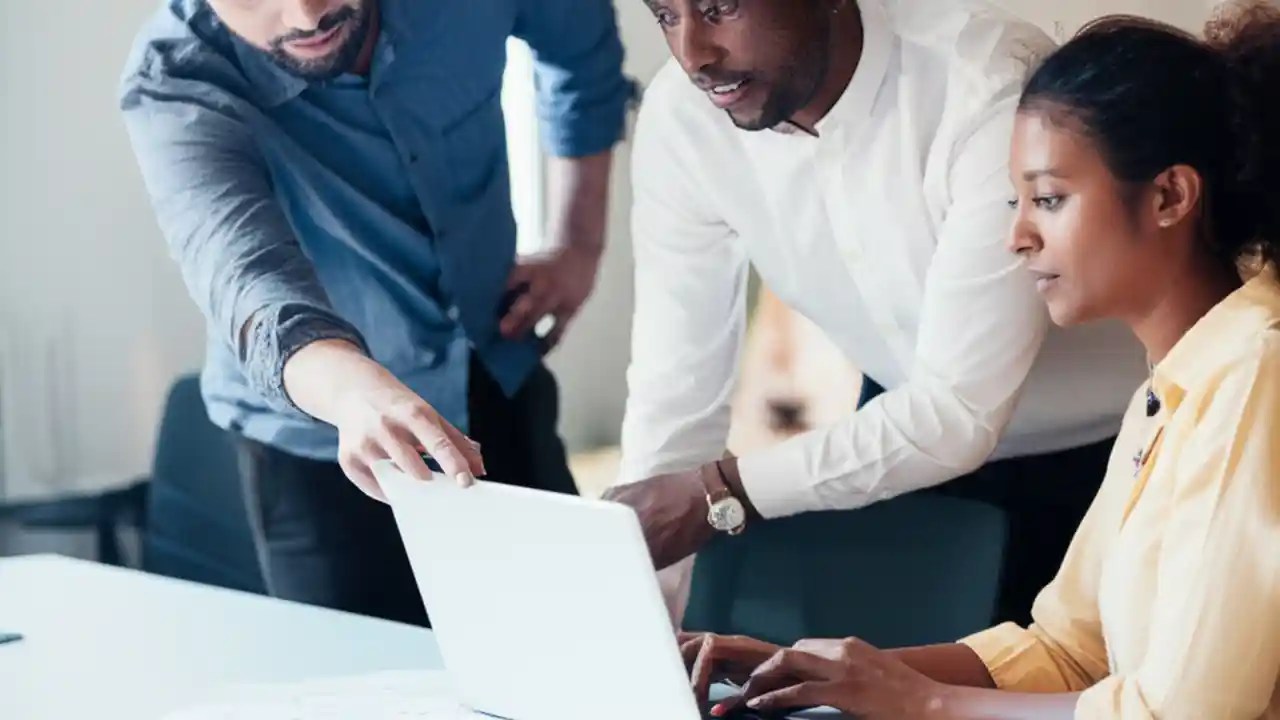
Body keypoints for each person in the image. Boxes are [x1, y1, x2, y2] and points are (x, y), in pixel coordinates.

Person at [681, 3, 1280, 717]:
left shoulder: (1253, 371)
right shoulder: (1173, 386)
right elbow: (1069, 648)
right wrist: (830, 669)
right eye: (1015, 200)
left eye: (1049, 200)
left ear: (1169, 196)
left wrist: (926, 702)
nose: (1017, 236)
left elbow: (1182, 714)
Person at [608, 0, 1146, 626]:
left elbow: (957, 412)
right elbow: (674, 399)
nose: (694, 54)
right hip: (897, 439)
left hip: (1110, 461)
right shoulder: (684, 119)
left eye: (720, 8)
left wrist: (719, 494)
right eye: (665, 16)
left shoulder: (985, 88)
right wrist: (637, 633)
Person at [119, 0, 632, 626]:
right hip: (321, 437)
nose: (307, 14)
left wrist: (580, 242)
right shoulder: (174, 78)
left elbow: (581, 44)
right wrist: (356, 394)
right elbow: (246, 281)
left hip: (492, 363)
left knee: (584, 645)